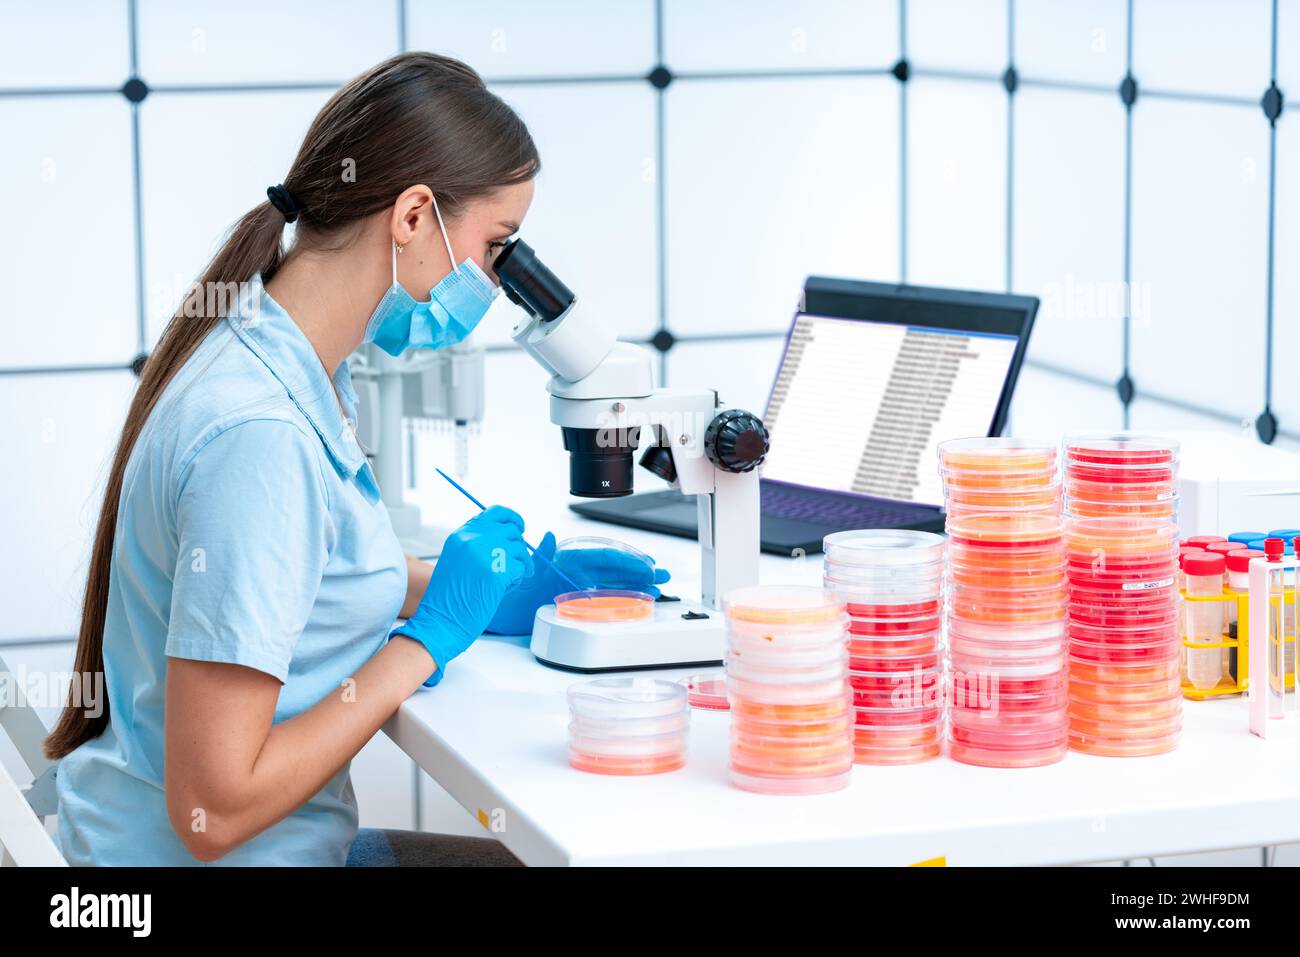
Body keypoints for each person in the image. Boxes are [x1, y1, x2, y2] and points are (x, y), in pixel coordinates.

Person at [44, 52, 667, 867]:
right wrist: (426, 641)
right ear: (413, 216)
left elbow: (297, 565)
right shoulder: (260, 436)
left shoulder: (273, 353)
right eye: (497, 248)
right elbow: (213, 812)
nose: (494, 281)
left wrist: (474, 585)